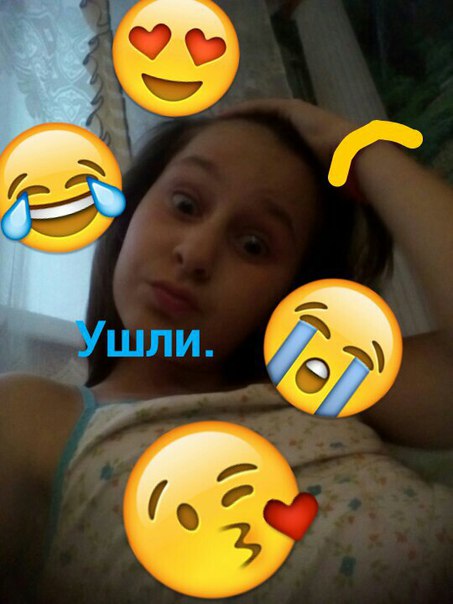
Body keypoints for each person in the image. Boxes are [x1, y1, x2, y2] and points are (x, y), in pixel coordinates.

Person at [0, 99, 452, 603]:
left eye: (254, 244)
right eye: (185, 204)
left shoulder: (321, 381)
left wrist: (360, 149)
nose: (195, 254)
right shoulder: (33, 417)